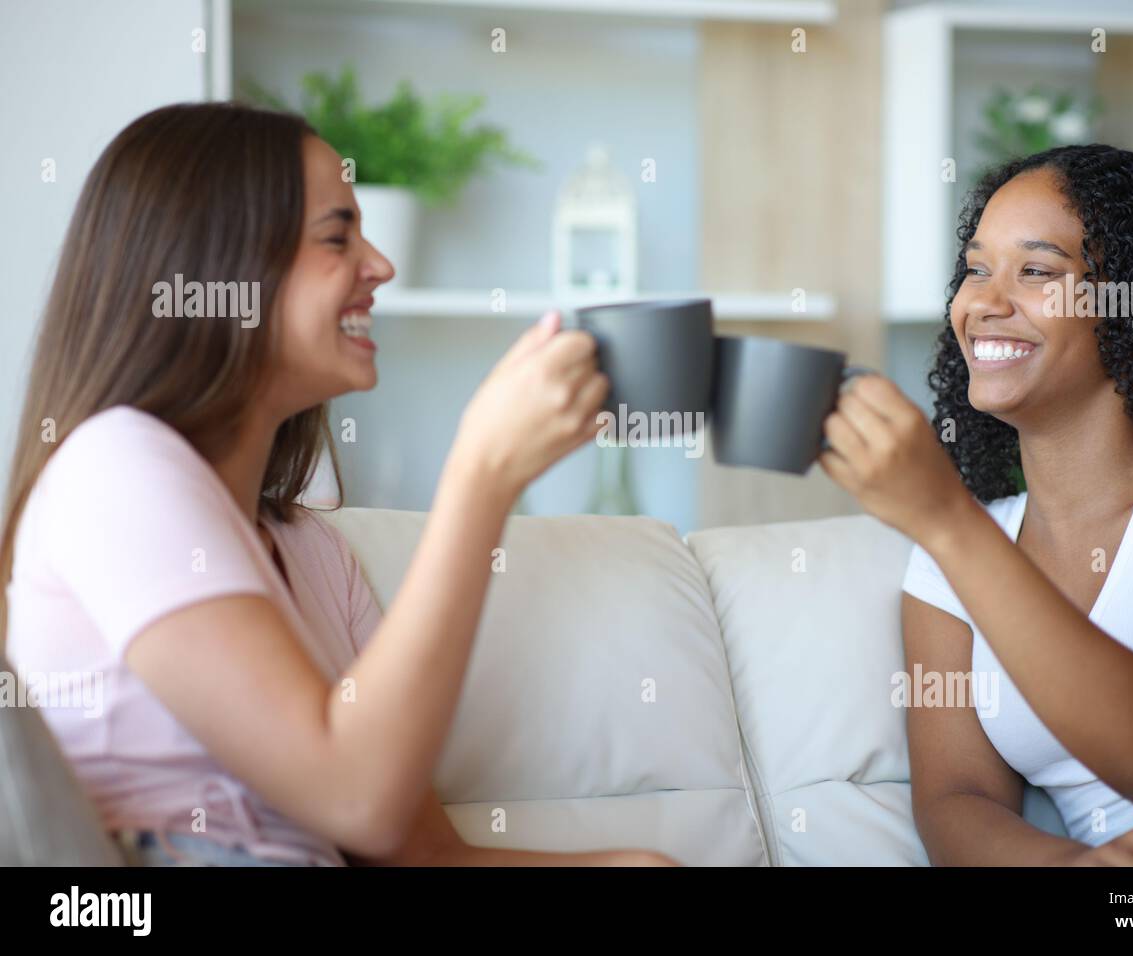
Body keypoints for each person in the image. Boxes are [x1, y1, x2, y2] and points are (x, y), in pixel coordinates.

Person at [1, 102, 675, 867]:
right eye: (337, 236)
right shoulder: (111, 467)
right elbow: (359, 797)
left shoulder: (316, 555)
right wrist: (484, 471)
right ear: (222, 271)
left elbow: (420, 852)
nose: (380, 265)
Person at [818, 144, 1133, 866]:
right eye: (977, 269)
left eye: (1037, 271)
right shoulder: (951, 559)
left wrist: (943, 517)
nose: (984, 303)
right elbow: (957, 801)